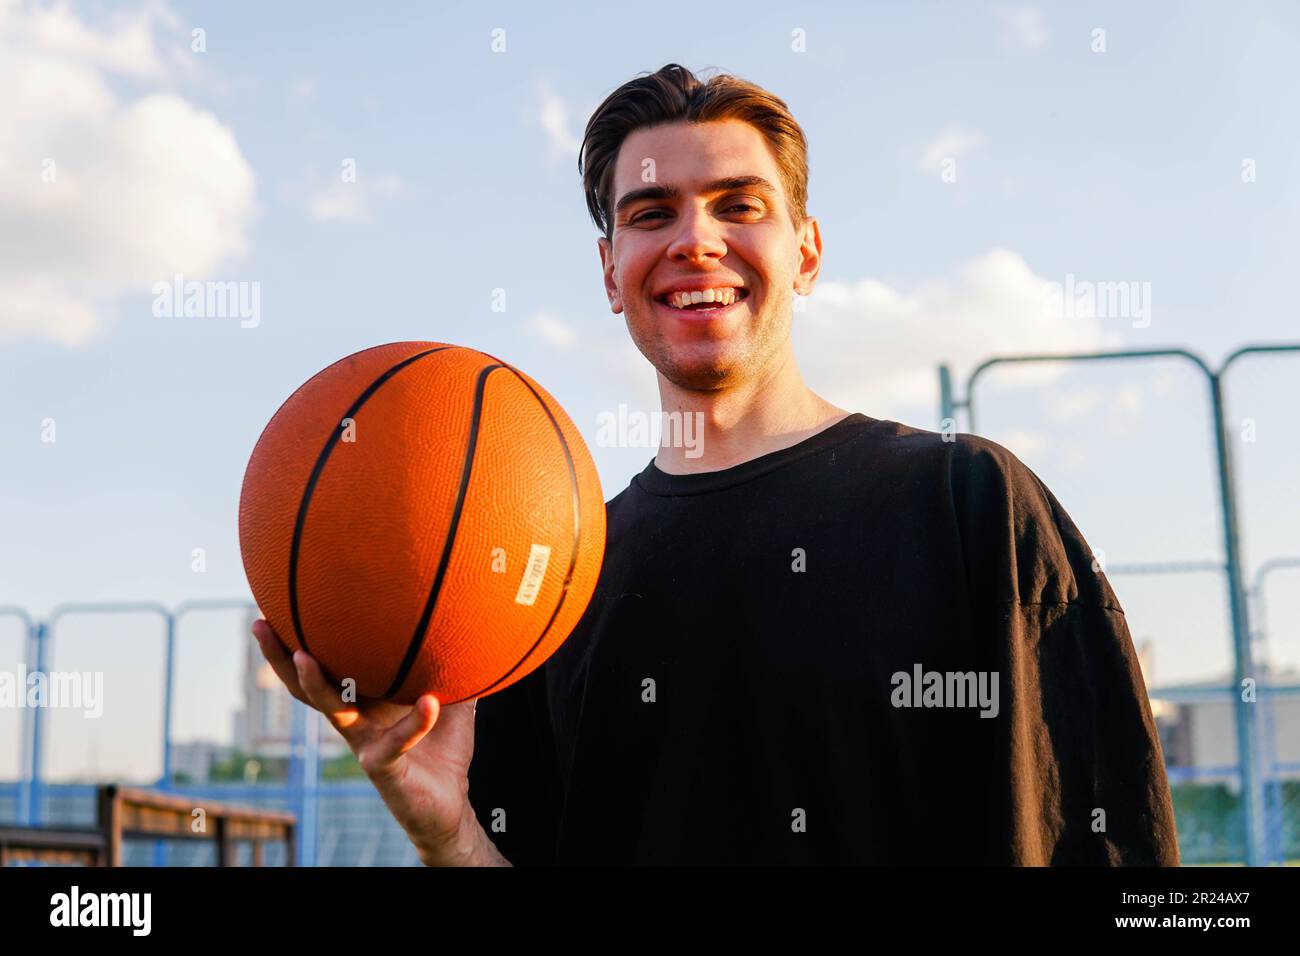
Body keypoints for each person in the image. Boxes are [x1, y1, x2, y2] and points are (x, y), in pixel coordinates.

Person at [252, 63, 1180, 866]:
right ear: (610, 272)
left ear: (806, 252)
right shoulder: (544, 588)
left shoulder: (968, 502)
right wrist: (449, 832)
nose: (694, 239)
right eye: (652, 213)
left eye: (740, 205)